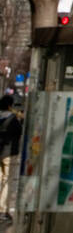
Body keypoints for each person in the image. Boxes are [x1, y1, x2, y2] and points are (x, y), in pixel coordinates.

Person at [0, 94, 22, 222]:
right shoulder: (13, 119)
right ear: (10, 105)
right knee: (7, 181)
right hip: (9, 153)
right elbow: (18, 134)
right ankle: (3, 210)